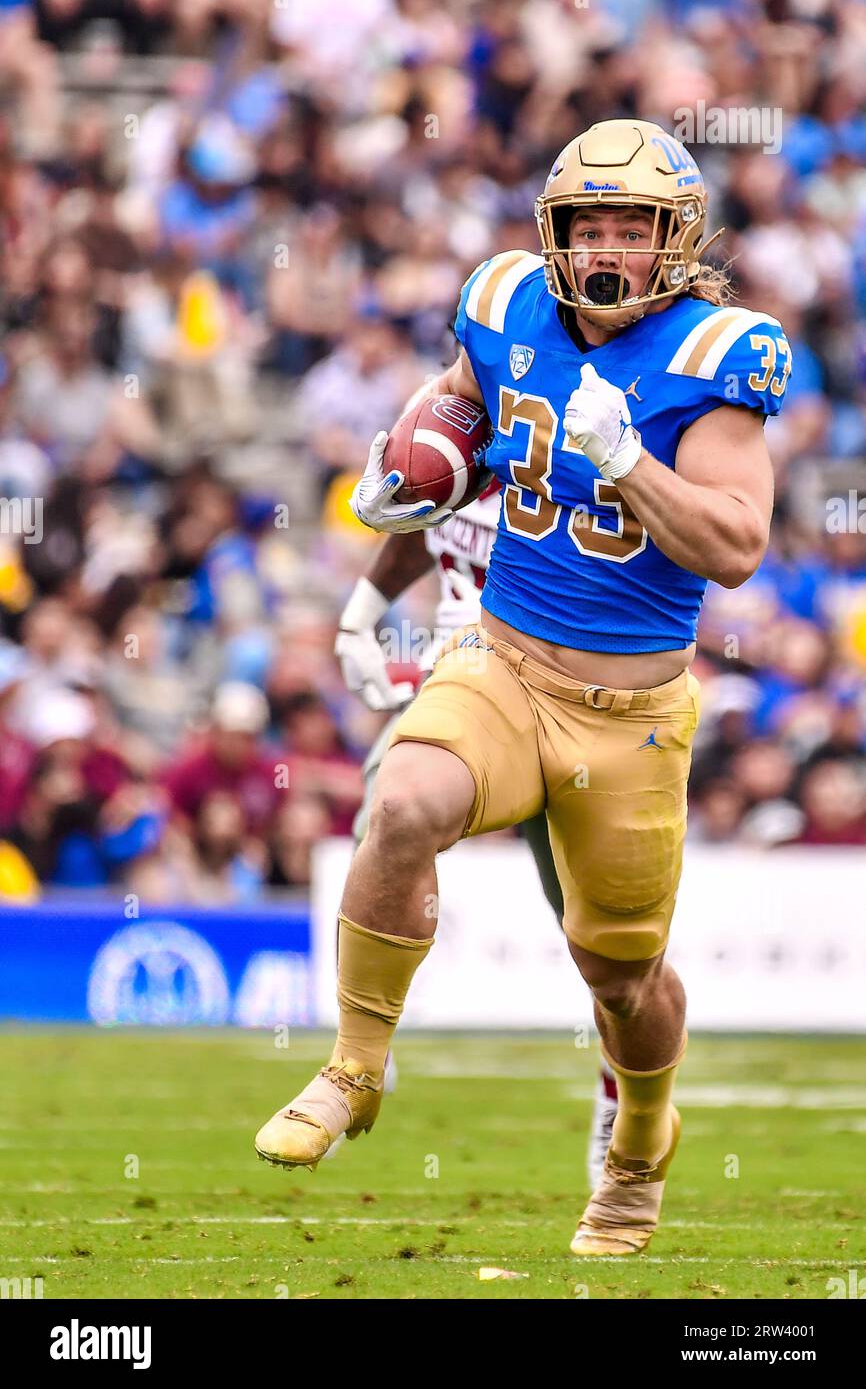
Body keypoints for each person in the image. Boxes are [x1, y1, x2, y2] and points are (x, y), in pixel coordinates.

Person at [255, 119, 791, 1257]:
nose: (604, 247)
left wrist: (629, 461)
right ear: (549, 233)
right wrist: (411, 475)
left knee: (620, 975)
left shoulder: (715, 356)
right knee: (400, 804)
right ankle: (355, 1065)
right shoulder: (503, 306)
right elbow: (456, 416)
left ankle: (639, 1148)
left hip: (630, 714)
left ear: (673, 240)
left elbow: (736, 545)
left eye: (628, 228)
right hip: (499, 660)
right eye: (584, 224)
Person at [334, 486, 618, 1189]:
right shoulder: (452, 413)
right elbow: (421, 517)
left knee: (605, 943)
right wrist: (361, 615)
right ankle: (361, 1051)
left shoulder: (587, 423)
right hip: (462, 687)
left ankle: (624, 1094)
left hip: (566, 703)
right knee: (386, 816)